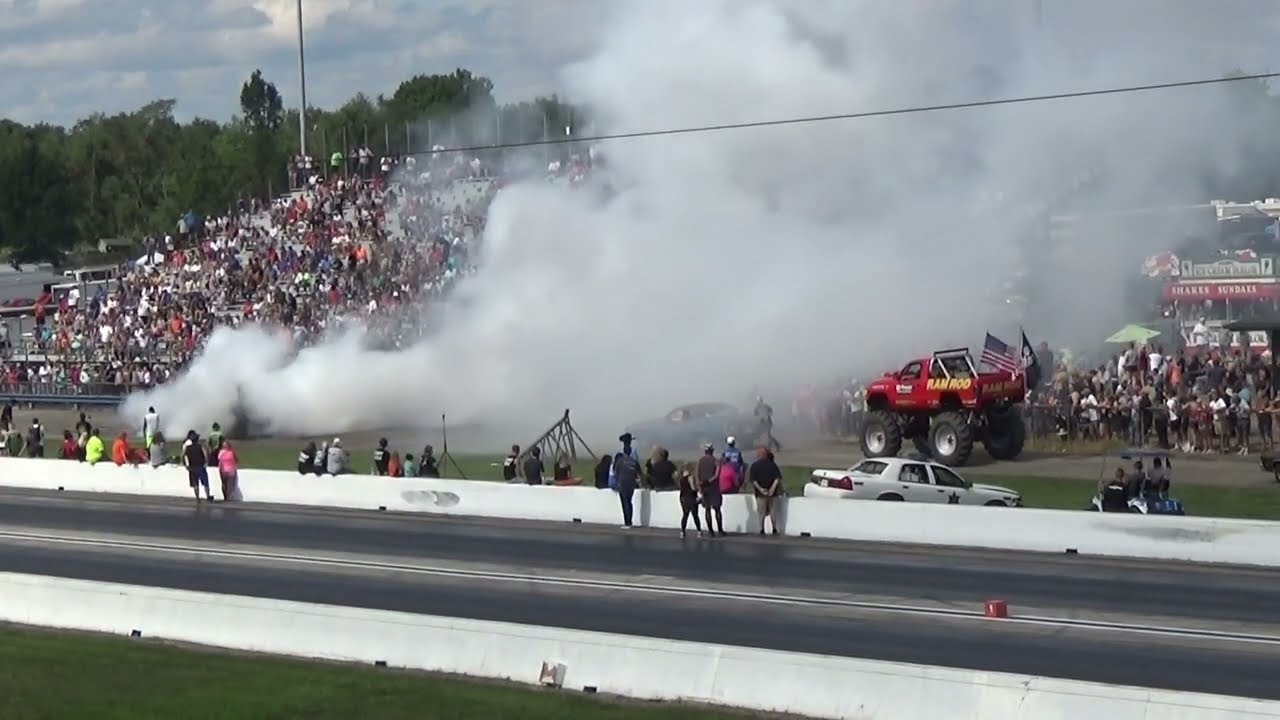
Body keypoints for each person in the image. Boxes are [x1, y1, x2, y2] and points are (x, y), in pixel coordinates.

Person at [748, 446, 782, 536]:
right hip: (773, 494)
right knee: (773, 511)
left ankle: (761, 529)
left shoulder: (755, 466)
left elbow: (753, 481)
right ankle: (774, 529)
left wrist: (761, 489)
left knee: (761, 512)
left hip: (760, 494)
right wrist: (772, 489)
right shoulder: (773, 465)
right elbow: (777, 479)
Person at [612, 433, 642, 529]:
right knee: (629, 501)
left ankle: (627, 522)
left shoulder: (619, 456)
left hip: (622, 481)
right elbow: (637, 467)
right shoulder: (634, 453)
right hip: (631, 480)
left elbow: (615, 470)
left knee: (625, 502)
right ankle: (629, 521)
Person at [696, 444, 725, 537]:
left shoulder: (700, 461)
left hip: (704, 488)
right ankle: (720, 530)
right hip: (714, 488)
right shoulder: (716, 461)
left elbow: (697, 475)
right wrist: (708, 481)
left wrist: (700, 486)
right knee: (717, 509)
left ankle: (710, 531)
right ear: (712, 450)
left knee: (707, 510)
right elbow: (716, 476)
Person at [183, 431, 212, 502]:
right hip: (200, 466)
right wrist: (206, 462)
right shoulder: (200, 446)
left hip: (192, 467)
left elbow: (182, 455)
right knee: (205, 482)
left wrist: (185, 464)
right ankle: (208, 496)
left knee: (195, 484)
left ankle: (197, 498)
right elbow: (205, 455)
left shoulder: (187, 448)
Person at [677, 461, 703, 538]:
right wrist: (698, 491)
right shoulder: (690, 477)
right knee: (695, 515)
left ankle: (682, 531)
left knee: (685, 515)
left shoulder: (681, 478)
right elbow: (693, 488)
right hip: (691, 497)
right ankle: (699, 531)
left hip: (683, 497)